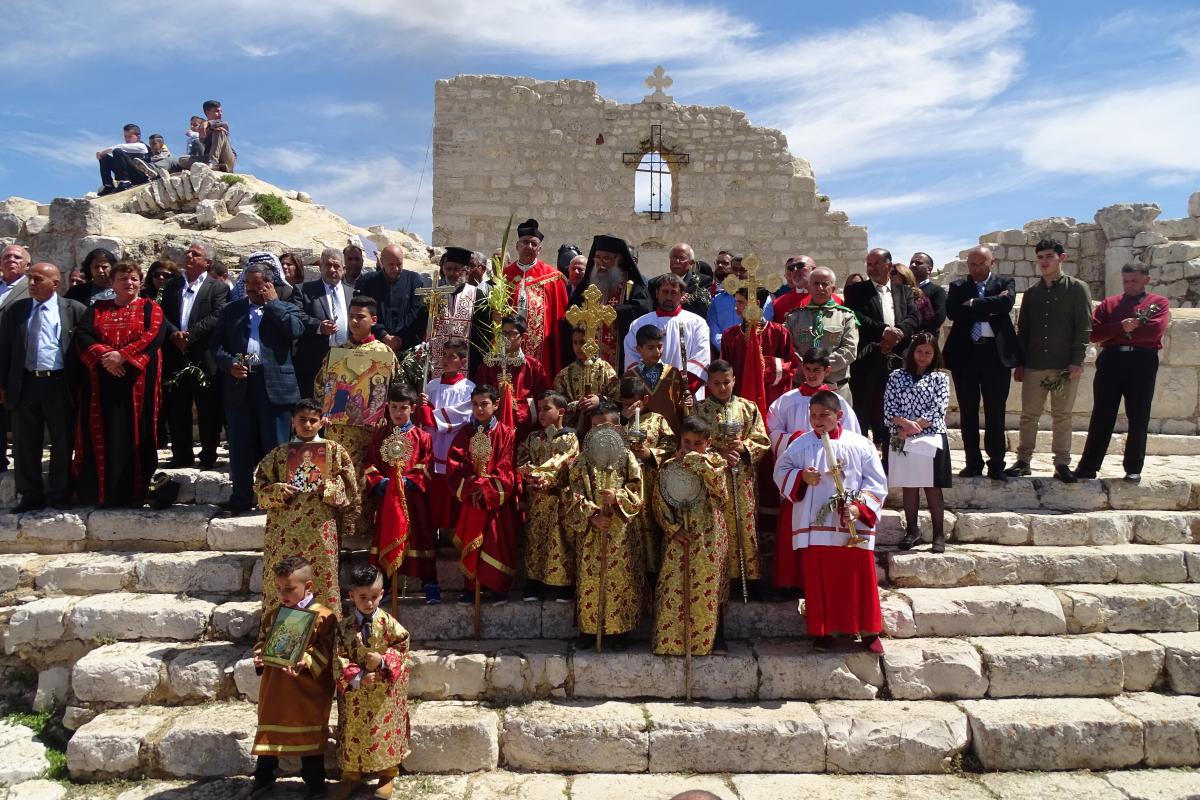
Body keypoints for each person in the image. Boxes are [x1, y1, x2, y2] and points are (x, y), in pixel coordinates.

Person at [774, 390, 886, 652]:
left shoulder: (860, 444)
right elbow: (781, 471)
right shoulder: (800, 445)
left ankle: (868, 631)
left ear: (839, 415)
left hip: (852, 525)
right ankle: (824, 632)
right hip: (816, 526)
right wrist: (802, 477)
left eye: (824, 415)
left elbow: (876, 482)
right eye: (813, 415)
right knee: (819, 581)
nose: (817, 420)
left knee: (859, 578)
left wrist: (859, 509)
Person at [211, 263, 305, 515]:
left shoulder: (287, 307)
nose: (253, 288)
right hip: (240, 384)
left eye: (258, 283)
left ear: (270, 284)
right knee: (240, 445)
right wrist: (229, 364)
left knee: (276, 446)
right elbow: (216, 346)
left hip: (274, 386)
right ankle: (241, 497)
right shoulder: (232, 311)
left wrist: (273, 304)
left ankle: (277, 498)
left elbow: (295, 331)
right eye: (249, 283)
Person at [767, 349, 861, 592]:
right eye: (807, 369)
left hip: (828, 478)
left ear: (827, 371)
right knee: (793, 527)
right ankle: (790, 581)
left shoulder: (837, 403)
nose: (811, 375)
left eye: (817, 370)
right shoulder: (786, 401)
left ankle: (820, 582)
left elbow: (853, 438)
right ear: (801, 369)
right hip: (798, 477)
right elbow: (771, 432)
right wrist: (795, 439)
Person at [73, 261, 165, 508]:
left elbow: (153, 335)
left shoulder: (150, 307)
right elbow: (82, 335)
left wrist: (122, 356)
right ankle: (102, 494)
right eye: (123, 279)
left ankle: (135, 492)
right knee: (102, 435)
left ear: (141, 282)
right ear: (112, 283)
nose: (129, 283)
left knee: (136, 437)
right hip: (102, 383)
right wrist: (106, 357)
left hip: (136, 382)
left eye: (134, 278)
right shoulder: (97, 309)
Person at [253, 399, 357, 610]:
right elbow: (260, 486)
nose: (307, 425)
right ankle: (278, 635)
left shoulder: (334, 451)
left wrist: (328, 488)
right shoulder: (279, 453)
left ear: (321, 422)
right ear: (293, 422)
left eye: (313, 420)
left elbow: (350, 487)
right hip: (285, 529)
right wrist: (278, 490)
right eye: (302, 420)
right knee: (284, 579)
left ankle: (323, 633)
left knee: (322, 578)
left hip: (321, 529)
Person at [0, 263, 86, 512]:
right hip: (25, 383)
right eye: (30, 279)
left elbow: (82, 351)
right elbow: (4, 348)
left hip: (59, 384)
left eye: (38, 279)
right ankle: (30, 495)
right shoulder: (17, 310)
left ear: (55, 284)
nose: (32, 284)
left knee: (62, 441)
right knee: (25, 443)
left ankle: (60, 494)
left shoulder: (74, 310)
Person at [250, 555, 337, 799]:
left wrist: (307, 660)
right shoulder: (273, 614)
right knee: (269, 732)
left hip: (307, 689)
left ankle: (315, 783)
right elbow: (262, 641)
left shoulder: (324, 616)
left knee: (308, 735)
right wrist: (259, 655)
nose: (282, 595)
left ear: (308, 587)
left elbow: (327, 650)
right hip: (275, 687)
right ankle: (263, 779)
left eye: (289, 589)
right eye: (278, 589)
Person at [1073, 263, 1170, 483]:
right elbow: (1094, 333)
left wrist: (1116, 331)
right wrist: (1120, 327)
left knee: (1138, 415)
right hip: (1112, 359)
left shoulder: (1158, 303)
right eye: (1126, 280)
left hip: (1143, 361)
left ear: (1147, 280)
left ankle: (1134, 467)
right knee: (1102, 414)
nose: (1129, 285)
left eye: (1134, 280)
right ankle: (1088, 467)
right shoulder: (1110, 303)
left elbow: (1153, 331)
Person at [1008, 238, 1092, 482]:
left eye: (1049, 257)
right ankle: (1023, 460)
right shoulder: (1032, 293)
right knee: (1029, 415)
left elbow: (1084, 327)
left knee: (1062, 415)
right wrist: (1020, 363)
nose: (1044, 262)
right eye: (1041, 257)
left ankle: (1062, 463)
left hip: (1064, 366)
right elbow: (1023, 330)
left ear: (1061, 258)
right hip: (1034, 364)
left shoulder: (1077, 289)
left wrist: (1077, 360)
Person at [314, 296, 399, 534]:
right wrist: (326, 409)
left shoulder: (385, 354)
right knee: (339, 477)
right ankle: (338, 531)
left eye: (360, 317)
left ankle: (365, 532)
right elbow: (321, 387)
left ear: (373, 320)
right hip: (338, 431)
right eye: (351, 316)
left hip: (370, 433)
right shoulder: (337, 353)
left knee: (365, 479)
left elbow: (395, 391)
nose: (354, 321)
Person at [562, 403, 644, 651]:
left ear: (618, 427)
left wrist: (618, 496)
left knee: (619, 579)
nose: (600, 431)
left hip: (620, 530)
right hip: (591, 530)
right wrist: (591, 514)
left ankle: (619, 631)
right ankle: (589, 630)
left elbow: (638, 490)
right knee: (590, 579)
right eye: (595, 426)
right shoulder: (582, 459)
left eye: (605, 425)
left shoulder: (627, 456)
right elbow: (572, 492)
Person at [651, 415, 730, 656]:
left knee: (709, 587)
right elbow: (658, 501)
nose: (691, 448)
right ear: (680, 441)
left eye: (698, 443)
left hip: (709, 535)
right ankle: (671, 641)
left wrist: (700, 463)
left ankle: (711, 638)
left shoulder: (715, 463)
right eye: (687, 443)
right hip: (679, 535)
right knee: (673, 585)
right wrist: (672, 529)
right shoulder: (668, 466)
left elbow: (721, 492)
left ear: (708, 442)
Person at [332, 564, 412, 800]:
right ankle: (351, 775)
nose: (369, 603)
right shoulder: (344, 627)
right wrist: (357, 677)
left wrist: (383, 661)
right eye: (363, 597)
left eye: (375, 597)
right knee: (352, 730)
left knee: (384, 730)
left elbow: (403, 647)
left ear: (382, 594)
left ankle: (387, 773)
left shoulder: (388, 623)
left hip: (383, 694)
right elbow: (339, 657)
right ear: (352, 596)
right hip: (355, 694)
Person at [693, 360, 770, 598]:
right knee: (719, 526)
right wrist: (720, 455)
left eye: (726, 382)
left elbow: (762, 440)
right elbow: (693, 446)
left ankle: (750, 578)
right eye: (716, 383)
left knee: (745, 526)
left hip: (743, 479)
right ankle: (721, 576)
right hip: (714, 480)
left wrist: (744, 447)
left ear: (734, 380)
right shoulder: (701, 410)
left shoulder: (748, 408)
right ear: (709, 384)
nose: (722, 387)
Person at [943, 246, 1018, 480]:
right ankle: (972, 462)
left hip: (996, 356)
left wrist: (973, 304)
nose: (976, 269)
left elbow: (1006, 305)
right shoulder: (957, 287)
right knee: (968, 412)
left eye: (981, 264)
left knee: (996, 411)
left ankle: (996, 463)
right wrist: (991, 307)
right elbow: (954, 312)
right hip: (965, 355)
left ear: (992, 262)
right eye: (972, 265)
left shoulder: (1005, 282)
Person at [362, 383, 437, 603]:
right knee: (386, 535)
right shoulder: (380, 436)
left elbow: (426, 465)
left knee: (420, 536)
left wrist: (407, 481)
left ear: (412, 408)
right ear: (387, 407)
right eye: (393, 407)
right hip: (387, 500)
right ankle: (384, 584)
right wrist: (382, 483)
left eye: (403, 407)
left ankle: (429, 582)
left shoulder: (423, 437)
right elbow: (370, 464)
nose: (397, 412)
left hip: (413, 500)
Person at [445, 384, 518, 603]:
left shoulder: (506, 434)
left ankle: (496, 587)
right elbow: (455, 465)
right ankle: (472, 587)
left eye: (484, 404)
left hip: (495, 502)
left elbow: (507, 468)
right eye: (475, 404)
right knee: (472, 538)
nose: (479, 409)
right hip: (472, 501)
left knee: (495, 541)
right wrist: (472, 487)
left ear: (495, 405)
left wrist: (485, 489)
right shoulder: (464, 433)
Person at [160, 241, 229, 469]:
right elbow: (164, 315)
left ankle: (208, 455)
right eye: (187, 251)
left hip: (204, 356)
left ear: (207, 262)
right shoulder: (172, 286)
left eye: (195, 253)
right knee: (177, 407)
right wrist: (174, 334)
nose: (188, 255)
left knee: (208, 408)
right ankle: (182, 455)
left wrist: (191, 335)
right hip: (175, 355)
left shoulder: (217, 288)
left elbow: (219, 314)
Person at [844, 248, 920, 445]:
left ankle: (892, 454)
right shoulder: (856, 291)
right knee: (863, 406)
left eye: (876, 263)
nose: (872, 268)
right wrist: (884, 331)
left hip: (898, 358)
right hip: (867, 359)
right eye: (869, 264)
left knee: (896, 407)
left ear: (889, 265)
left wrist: (899, 332)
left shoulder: (904, 291)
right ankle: (862, 451)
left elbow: (914, 316)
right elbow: (856, 315)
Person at [885, 332, 952, 552]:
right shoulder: (896, 376)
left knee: (932, 487)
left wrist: (916, 426)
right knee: (909, 485)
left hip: (930, 437)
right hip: (902, 436)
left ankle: (939, 533)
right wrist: (904, 424)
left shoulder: (940, 378)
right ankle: (912, 530)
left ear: (935, 355)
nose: (923, 356)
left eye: (928, 352)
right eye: (919, 351)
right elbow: (889, 407)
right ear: (912, 352)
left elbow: (939, 408)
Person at [516, 391, 579, 603]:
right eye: (540, 409)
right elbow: (521, 459)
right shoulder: (533, 438)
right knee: (535, 539)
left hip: (559, 498)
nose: (541, 413)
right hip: (537, 499)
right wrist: (529, 475)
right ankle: (534, 581)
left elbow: (564, 461)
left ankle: (564, 584)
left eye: (546, 408)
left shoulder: (570, 437)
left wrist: (545, 477)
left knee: (560, 539)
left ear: (561, 412)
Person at [414, 337, 475, 533]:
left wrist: (431, 414)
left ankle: (450, 531)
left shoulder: (468, 387)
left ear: (463, 362)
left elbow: (464, 415)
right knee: (432, 487)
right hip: (432, 442)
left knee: (450, 488)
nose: (446, 360)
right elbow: (421, 415)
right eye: (445, 356)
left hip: (452, 443)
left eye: (452, 357)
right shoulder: (431, 385)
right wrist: (421, 406)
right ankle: (429, 530)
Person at [618, 375, 677, 577]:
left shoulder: (657, 420)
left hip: (651, 482)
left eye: (632, 403)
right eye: (624, 404)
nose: (628, 407)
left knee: (651, 526)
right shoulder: (619, 422)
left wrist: (651, 454)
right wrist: (624, 420)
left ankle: (653, 572)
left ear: (644, 399)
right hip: (627, 485)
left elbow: (670, 445)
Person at [566, 234, 652, 372]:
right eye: (598, 258)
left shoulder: (631, 285)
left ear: (618, 260)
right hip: (587, 355)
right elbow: (571, 312)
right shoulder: (587, 285)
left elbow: (642, 308)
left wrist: (613, 312)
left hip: (619, 360)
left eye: (606, 258)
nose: (601, 263)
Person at [623, 273, 710, 401]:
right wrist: (653, 388)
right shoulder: (639, 323)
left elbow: (701, 359)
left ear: (681, 295)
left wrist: (681, 388)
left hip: (685, 395)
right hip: (647, 395)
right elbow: (632, 360)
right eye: (665, 292)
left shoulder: (697, 323)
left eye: (674, 292)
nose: (669, 296)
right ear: (657, 293)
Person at [783, 266, 858, 404]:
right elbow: (787, 347)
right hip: (802, 389)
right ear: (809, 288)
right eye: (816, 284)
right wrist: (806, 368)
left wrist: (821, 368)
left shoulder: (846, 316)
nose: (820, 287)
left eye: (825, 283)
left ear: (833, 288)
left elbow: (850, 349)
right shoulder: (794, 317)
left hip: (836, 388)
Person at [504, 219, 570, 376]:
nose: (529, 247)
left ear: (539, 249)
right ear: (517, 246)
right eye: (525, 242)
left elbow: (560, 320)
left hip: (542, 347)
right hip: (509, 343)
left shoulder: (553, 278)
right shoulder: (505, 276)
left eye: (534, 244)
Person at [472, 315, 550, 441]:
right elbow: (479, 393)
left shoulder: (533, 366)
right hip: (492, 428)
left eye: (512, 333)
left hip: (524, 430)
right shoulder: (489, 364)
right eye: (504, 333)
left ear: (523, 337)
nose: (507, 338)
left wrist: (525, 412)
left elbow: (543, 398)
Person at [721, 286, 801, 408]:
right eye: (735, 302)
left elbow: (791, 365)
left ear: (756, 303)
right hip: (739, 398)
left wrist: (761, 367)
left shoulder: (779, 332)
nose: (736, 307)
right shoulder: (730, 335)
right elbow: (725, 368)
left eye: (740, 302)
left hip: (770, 398)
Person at [294, 248, 351, 400]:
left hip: (347, 361)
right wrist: (319, 327)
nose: (332, 269)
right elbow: (297, 317)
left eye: (336, 266)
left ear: (344, 269)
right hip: (315, 362)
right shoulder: (303, 290)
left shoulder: (353, 293)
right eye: (328, 265)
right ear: (320, 267)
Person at [426, 247, 491, 378]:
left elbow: (484, 333)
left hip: (467, 362)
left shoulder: (478, 295)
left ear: (466, 271)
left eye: (456, 269)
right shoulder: (435, 294)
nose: (451, 273)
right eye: (448, 269)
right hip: (437, 361)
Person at [617, 325, 690, 435]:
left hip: (672, 435)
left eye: (660, 346)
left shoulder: (673, 373)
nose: (657, 352)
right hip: (641, 436)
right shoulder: (629, 376)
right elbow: (623, 407)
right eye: (650, 348)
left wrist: (686, 404)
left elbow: (680, 407)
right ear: (638, 349)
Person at [355, 245, 425, 351]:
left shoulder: (413, 280)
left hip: (407, 343)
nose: (395, 269)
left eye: (399, 264)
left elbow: (415, 311)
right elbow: (365, 312)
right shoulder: (368, 281)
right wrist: (384, 335)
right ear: (382, 262)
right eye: (391, 264)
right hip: (375, 344)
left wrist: (398, 337)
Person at [0, 244, 31, 473]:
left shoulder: (32, 288)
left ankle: (25, 466)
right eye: (7, 256)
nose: (11, 259)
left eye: (17, 257)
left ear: (27, 264)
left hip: (17, 360)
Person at [553, 326, 617, 434]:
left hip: (601, 428)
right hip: (574, 429)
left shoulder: (606, 370)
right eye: (575, 342)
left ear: (594, 343)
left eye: (583, 342)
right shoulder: (564, 374)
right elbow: (557, 405)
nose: (578, 347)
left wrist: (599, 400)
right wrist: (576, 405)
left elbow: (618, 399)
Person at [706, 255, 774, 351]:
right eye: (734, 269)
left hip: (754, 351)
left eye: (742, 270)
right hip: (725, 352)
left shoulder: (763, 298)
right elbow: (713, 328)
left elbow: (766, 326)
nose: (738, 273)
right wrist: (728, 346)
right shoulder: (717, 300)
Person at [650, 242, 711, 318]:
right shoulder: (655, 282)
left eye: (681, 258)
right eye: (674, 257)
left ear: (691, 262)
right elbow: (650, 308)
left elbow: (703, 308)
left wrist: (684, 301)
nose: (677, 261)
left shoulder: (702, 281)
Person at [179, 99, 236, 172]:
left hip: (227, 159)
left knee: (219, 131)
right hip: (208, 157)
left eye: (221, 111)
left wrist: (207, 123)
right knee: (182, 159)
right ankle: (217, 167)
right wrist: (205, 127)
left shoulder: (223, 123)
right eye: (217, 111)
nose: (220, 113)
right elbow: (202, 138)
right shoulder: (202, 129)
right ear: (207, 112)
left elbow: (224, 125)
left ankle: (213, 163)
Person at [95, 123, 150, 195]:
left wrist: (102, 152)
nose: (127, 139)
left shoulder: (142, 146)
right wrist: (102, 155)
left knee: (117, 151)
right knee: (105, 158)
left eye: (130, 136)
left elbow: (119, 147)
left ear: (138, 137)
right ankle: (108, 185)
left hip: (140, 177)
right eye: (125, 136)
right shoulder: (127, 147)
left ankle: (125, 182)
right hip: (130, 175)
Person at [909, 252, 947, 339]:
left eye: (918, 263)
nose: (913, 265)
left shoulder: (937, 291)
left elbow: (938, 318)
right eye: (911, 262)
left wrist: (920, 336)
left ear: (929, 270)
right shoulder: (904, 289)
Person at [890, 264, 935, 336]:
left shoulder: (919, 299)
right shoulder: (886, 296)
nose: (889, 276)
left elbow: (929, 323)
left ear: (904, 275)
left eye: (893, 273)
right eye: (887, 273)